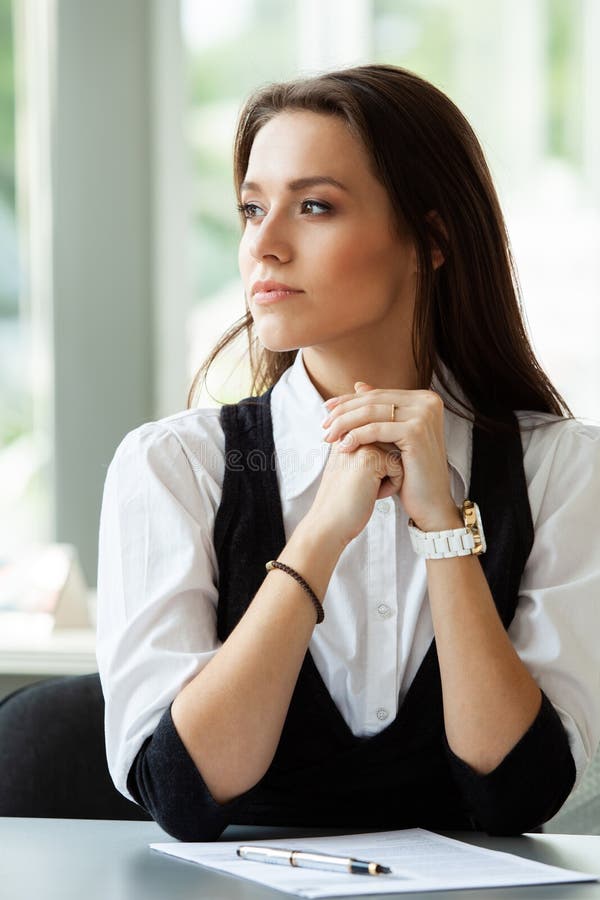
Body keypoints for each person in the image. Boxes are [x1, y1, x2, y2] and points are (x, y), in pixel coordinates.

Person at [96, 64, 600, 842]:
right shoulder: (171, 468)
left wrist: (441, 523)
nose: (262, 245)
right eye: (252, 208)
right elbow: (184, 793)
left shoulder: (563, 470)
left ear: (430, 240)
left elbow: (519, 794)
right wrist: (323, 532)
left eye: (314, 207)